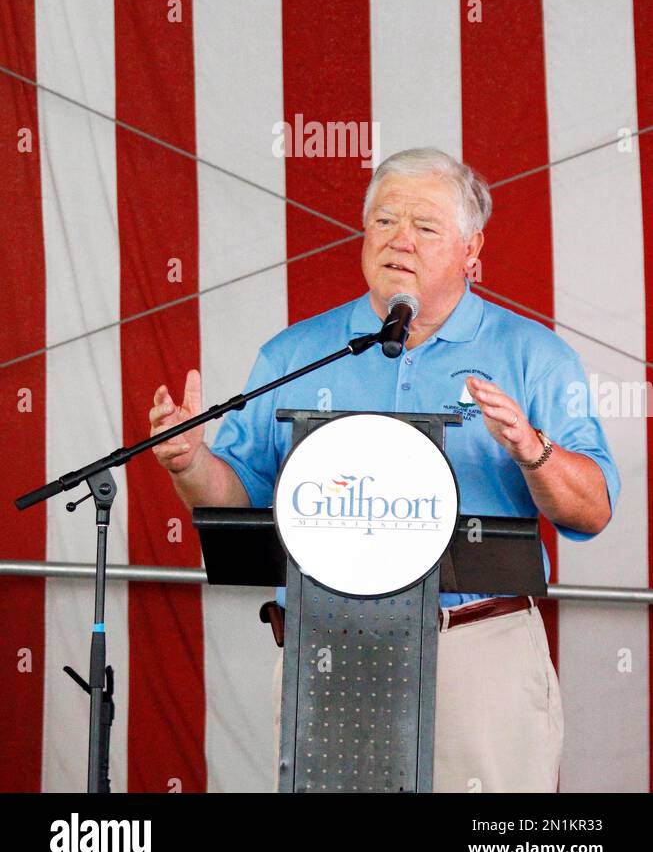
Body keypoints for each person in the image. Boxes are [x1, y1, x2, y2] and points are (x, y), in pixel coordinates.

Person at [149, 147, 620, 793]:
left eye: (424, 226)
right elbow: (236, 500)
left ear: (470, 248)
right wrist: (191, 462)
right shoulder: (295, 354)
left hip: (473, 655)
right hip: (328, 652)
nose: (399, 239)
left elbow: (591, 510)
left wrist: (532, 451)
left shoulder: (532, 355)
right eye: (382, 221)